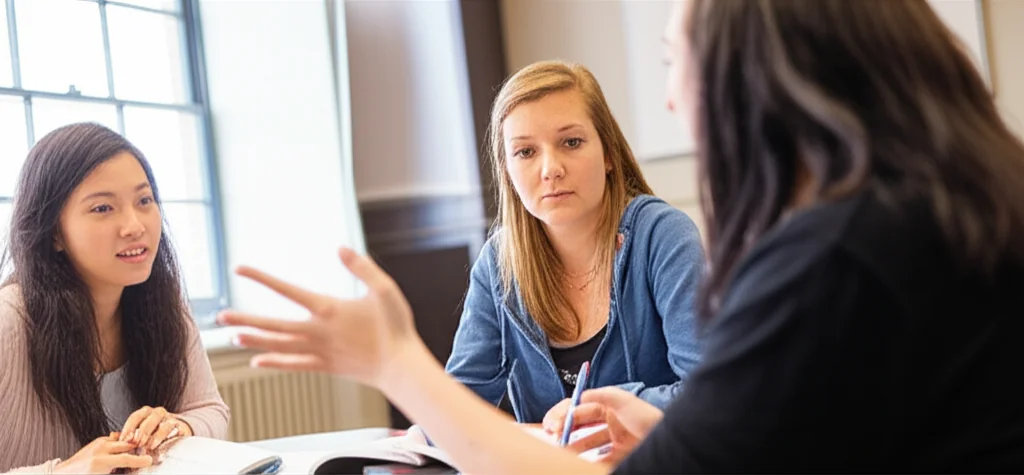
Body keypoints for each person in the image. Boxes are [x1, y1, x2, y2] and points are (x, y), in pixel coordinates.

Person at [218, 0, 1024, 472]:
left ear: (767, 73)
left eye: (678, 61)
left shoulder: (833, 257)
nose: (673, 100)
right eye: (524, 153)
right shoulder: (948, 208)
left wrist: (394, 357)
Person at [444, 59, 705, 424]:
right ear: (507, 170)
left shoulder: (663, 237)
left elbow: (709, 392)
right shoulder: (498, 263)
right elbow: (458, 406)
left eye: (571, 142)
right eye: (526, 152)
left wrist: (602, 409)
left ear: (609, 153)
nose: (551, 168)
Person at [1, 123, 230, 474]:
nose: (134, 225)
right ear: (54, 234)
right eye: (102, 208)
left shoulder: (163, 302)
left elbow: (210, 411)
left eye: (144, 200)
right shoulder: (9, 323)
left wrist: (178, 428)